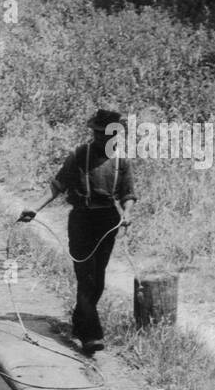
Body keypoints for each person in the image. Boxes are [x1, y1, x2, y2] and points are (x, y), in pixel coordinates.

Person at [19, 109, 138, 354]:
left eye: (107, 134)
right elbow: (57, 185)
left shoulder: (121, 161)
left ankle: (80, 322)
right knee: (86, 277)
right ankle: (92, 336)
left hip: (107, 221)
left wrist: (127, 213)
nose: (102, 138)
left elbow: (128, 194)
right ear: (93, 132)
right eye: (98, 133)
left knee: (98, 279)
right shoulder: (78, 156)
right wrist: (35, 208)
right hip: (81, 219)